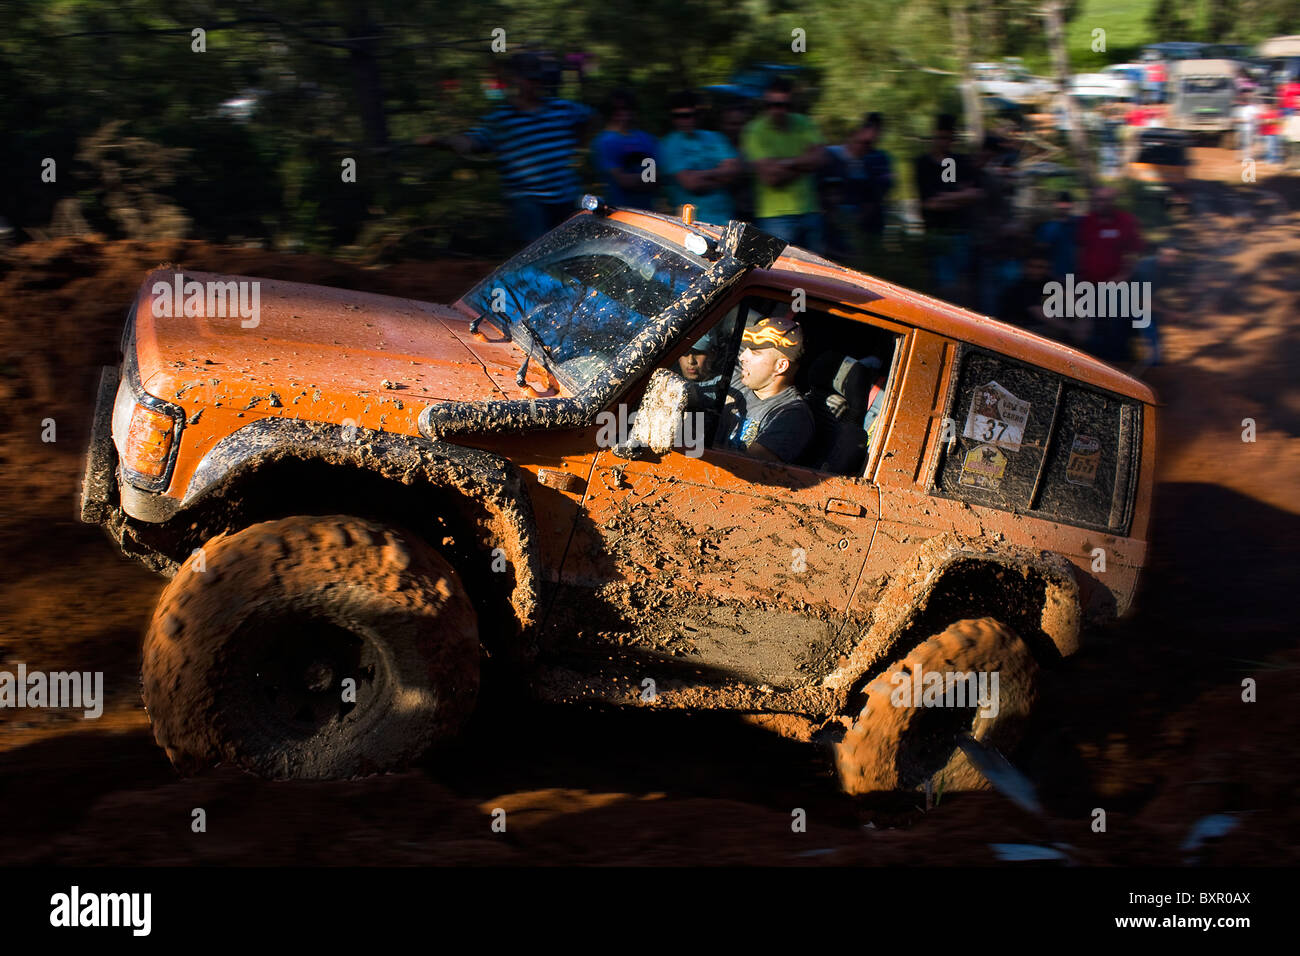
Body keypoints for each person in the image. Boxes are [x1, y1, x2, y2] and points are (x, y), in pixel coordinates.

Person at [419, 52, 593, 242]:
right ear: (516, 80)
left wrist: (578, 143)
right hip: (529, 201)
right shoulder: (502, 119)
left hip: (564, 194)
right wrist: (440, 142)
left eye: (536, 79)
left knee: (575, 245)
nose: (534, 84)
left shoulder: (562, 108)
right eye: (528, 79)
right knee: (538, 248)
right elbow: (473, 142)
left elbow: (589, 118)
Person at [741, 77, 826, 250]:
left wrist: (784, 163)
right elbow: (770, 178)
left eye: (783, 105)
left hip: (809, 211)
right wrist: (803, 164)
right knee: (778, 272)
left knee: (818, 273)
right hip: (774, 217)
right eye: (772, 105)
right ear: (765, 104)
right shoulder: (755, 131)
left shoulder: (804, 123)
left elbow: (821, 159)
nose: (777, 110)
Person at [717, 316, 814, 464]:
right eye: (746, 349)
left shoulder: (791, 415)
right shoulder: (738, 380)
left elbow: (744, 468)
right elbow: (692, 396)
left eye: (755, 352)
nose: (743, 356)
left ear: (780, 366)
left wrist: (694, 441)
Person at [913, 114, 982, 306]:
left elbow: (970, 193)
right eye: (941, 137)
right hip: (937, 233)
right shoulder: (924, 163)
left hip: (958, 231)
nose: (945, 142)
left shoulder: (953, 162)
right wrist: (955, 198)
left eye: (949, 138)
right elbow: (930, 202)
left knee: (963, 285)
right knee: (945, 287)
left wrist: (949, 198)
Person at [1077, 186, 1143, 363]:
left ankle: (1121, 365)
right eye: (1097, 200)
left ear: (1113, 202)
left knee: (1117, 327)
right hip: (1089, 286)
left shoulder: (1126, 221)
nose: (1100, 204)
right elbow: (1081, 251)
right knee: (1091, 328)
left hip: (1117, 286)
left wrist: (1124, 275)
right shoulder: (1088, 222)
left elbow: (1134, 253)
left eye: (1104, 200)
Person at [657, 91, 741, 223]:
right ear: (672, 118)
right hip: (691, 225)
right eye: (679, 116)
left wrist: (700, 174)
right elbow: (691, 183)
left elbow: (734, 171)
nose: (686, 120)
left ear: (698, 115)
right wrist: (719, 175)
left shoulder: (715, 137)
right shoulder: (669, 145)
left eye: (690, 115)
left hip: (725, 220)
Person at [821, 112, 894, 260]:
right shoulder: (832, 156)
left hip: (861, 228)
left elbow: (877, 195)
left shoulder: (874, 160)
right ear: (853, 136)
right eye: (863, 142)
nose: (865, 147)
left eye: (869, 144)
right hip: (834, 227)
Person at [589, 88, 660, 210]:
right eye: (617, 109)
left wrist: (637, 180)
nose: (623, 113)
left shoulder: (646, 139)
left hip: (648, 212)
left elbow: (654, 180)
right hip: (618, 213)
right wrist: (644, 179)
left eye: (627, 107)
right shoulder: (604, 142)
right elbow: (623, 181)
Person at [1035, 191, 1079, 283]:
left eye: (1066, 203)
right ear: (1055, 204)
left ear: (1071, 205)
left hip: (1076, 278)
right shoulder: (1047, 227)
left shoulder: (1079, 223)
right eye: (1061, 203)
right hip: (1052, 277)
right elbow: (1040, 253)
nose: (1063, 206)